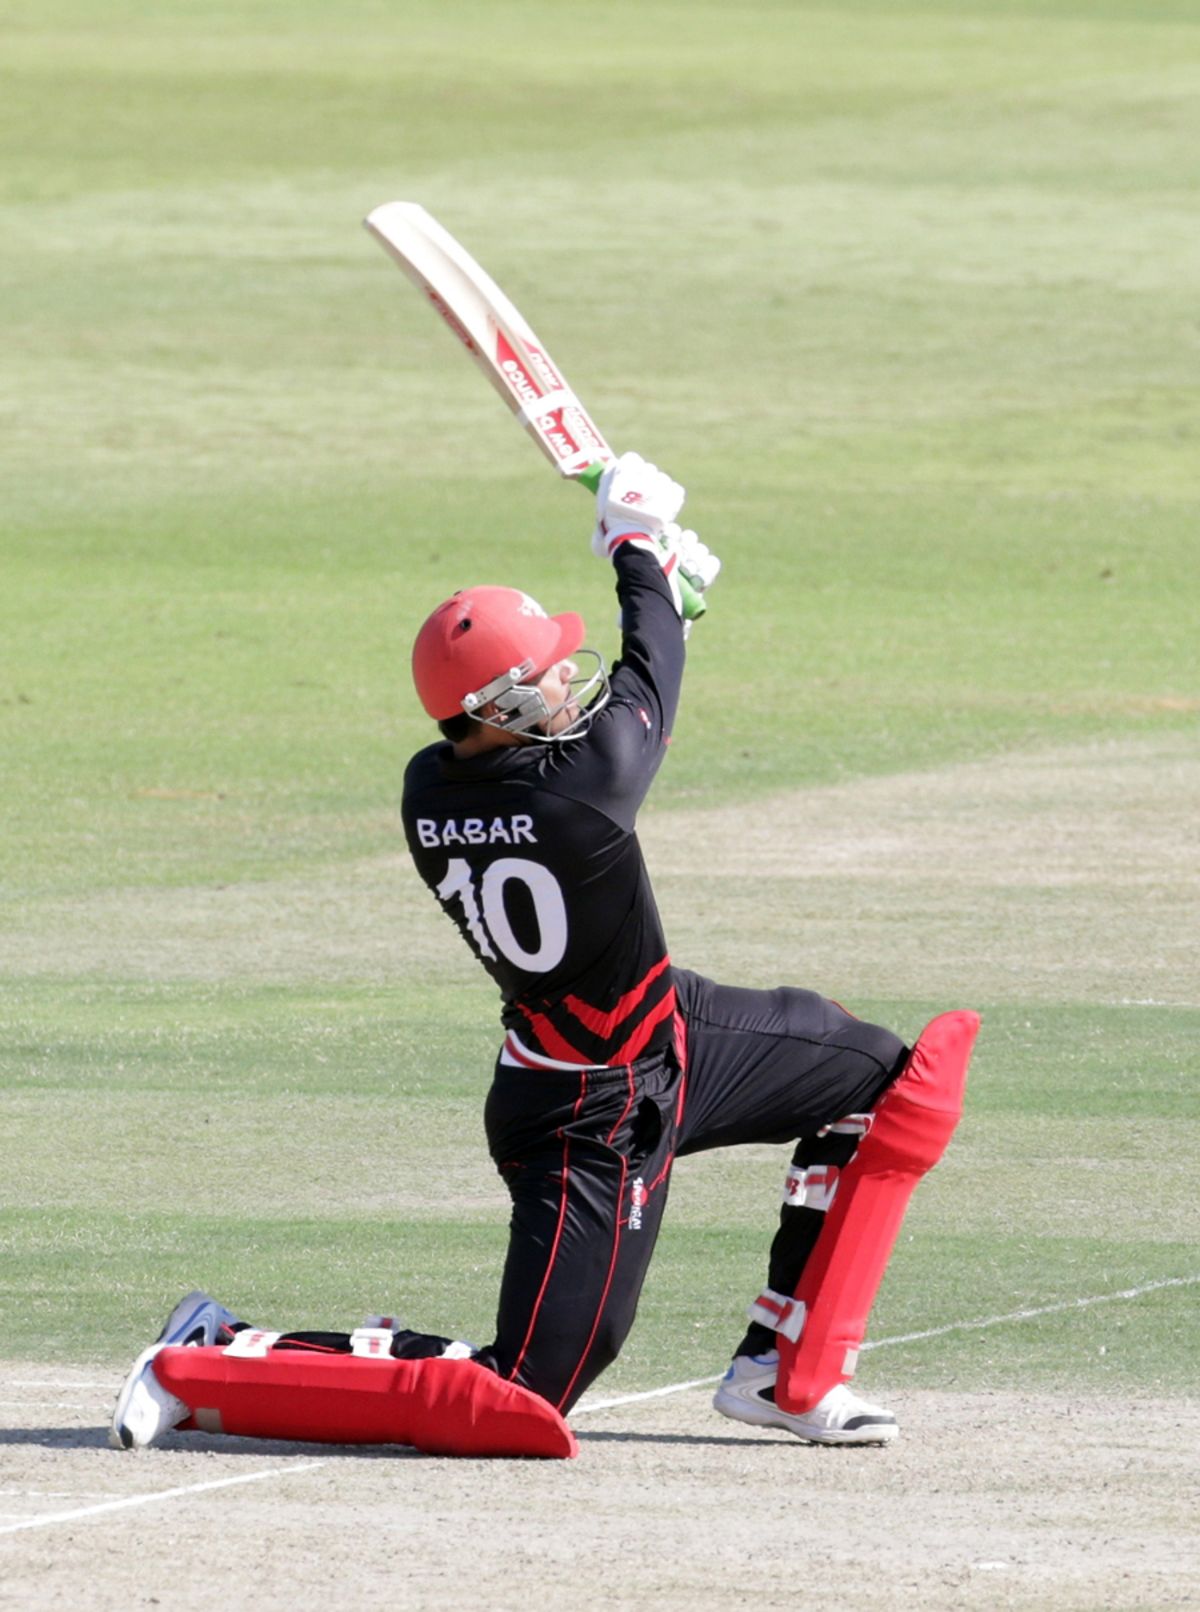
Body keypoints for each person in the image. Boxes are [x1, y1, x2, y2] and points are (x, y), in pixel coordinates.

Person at [111, 454, 978, 1457]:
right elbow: (646, 685)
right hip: (580, 1113)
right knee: (524, 1394)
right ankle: (213, 1353)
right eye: (547, 671)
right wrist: (637, 552)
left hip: (671, 1036)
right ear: (501, 709)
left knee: (882, 1080)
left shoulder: (429, 786)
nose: (571, 674)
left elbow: (637, 686)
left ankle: (788, 1374)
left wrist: (671, 598)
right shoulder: (577, 792)